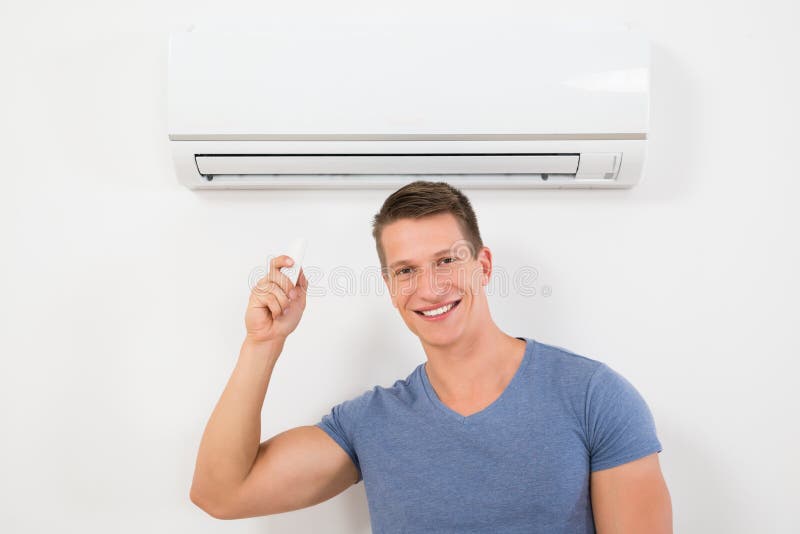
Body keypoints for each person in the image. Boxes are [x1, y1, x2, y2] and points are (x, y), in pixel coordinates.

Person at [189, 181, 673, 533]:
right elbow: (221, 494)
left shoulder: (593, 397)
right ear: (390, 288)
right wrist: (264, 343)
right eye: (406, 270)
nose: (430, 287)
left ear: (482, 266)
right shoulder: (370, 424)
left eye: (446, 260)